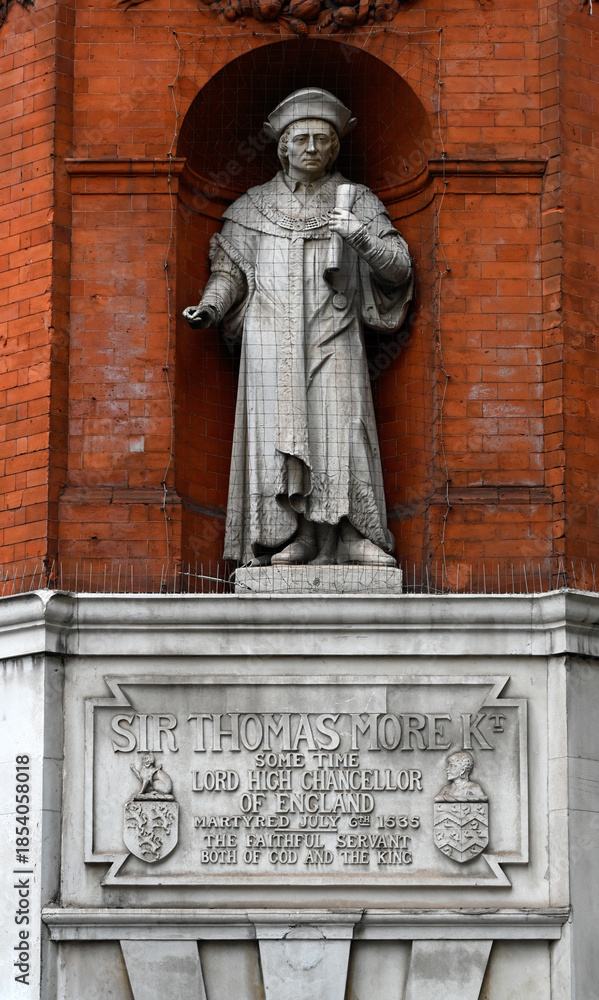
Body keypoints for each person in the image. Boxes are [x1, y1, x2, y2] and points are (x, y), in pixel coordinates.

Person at [184, 88, 413, 566]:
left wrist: (360, 236)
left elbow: (398, 271)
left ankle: (352, 534)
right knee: (279, 435)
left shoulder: (358, 202)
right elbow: (230, 272)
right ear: (282, 146)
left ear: (334, 148)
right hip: (270, 339)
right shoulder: (253, 206)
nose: (312, 147)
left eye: (324, 140)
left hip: (335, 332)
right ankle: (296, 536)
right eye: (302, 138)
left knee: (344, 427)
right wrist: (209, 306)